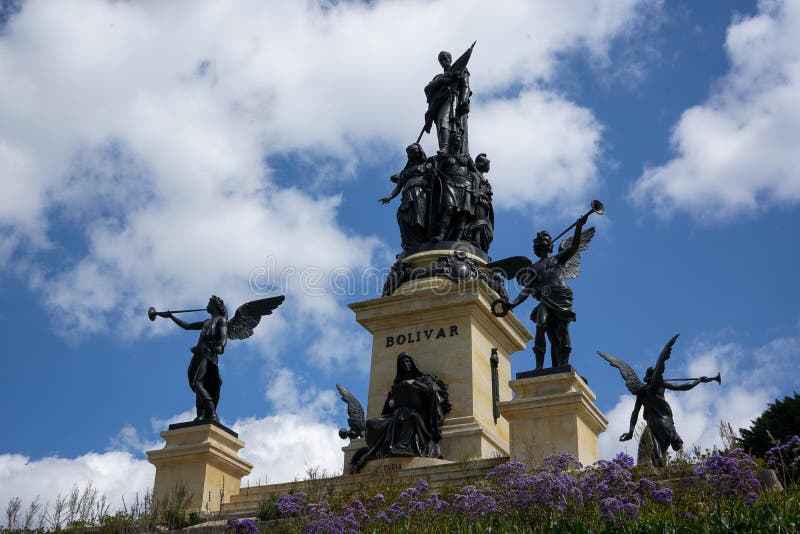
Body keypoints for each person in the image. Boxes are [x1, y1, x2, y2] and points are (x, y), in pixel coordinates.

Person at [500, 214, 591, 369]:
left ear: (550, 244)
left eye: (547, 238)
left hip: (562, 294)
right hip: (546, 297)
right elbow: (528, 289)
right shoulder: (533, 267)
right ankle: (539, 367)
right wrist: (512, 304)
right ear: (537, 244)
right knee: (541, 326)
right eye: (543, 238)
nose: (546, 240)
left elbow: (574, 247)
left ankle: (564, 363)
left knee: (563, 329)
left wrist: (579, 227)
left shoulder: (559, 258)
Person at [351, 353, 450, 472]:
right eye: (403, 364)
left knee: (405, 412)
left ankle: (403, 446)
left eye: (408, 362)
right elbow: (386, 410)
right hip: (397, 415)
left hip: (420, 415)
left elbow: (432, 392)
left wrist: (415, 383)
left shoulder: (423, 379)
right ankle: (379, 450)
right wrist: (391, 401)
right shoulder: (398, 384)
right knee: (372, 423)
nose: (406, 365)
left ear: (412, 363)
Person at [622, 368, 715, 466]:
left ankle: (652, 471)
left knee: (652, 451)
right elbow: (684, 387)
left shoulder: (641, 392)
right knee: (663, 450)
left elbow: (635, 413)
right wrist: (699, 380)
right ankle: (660, 470)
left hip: (652, 425)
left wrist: (631, 432)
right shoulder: (660, 385)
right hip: (665, 424)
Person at [165, 295, 228, 423]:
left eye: (209, 303)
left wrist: (220, 347)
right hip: (199, 356)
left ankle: (210, 409)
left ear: (215, 306)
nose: (207, 305)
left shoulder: (221, 320)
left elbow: (223, 339)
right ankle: (201, 414)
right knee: (197, 385)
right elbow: (187, 326)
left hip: (208, 355)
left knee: (197, 383)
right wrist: (171, 317)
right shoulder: (206, 322)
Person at [379, 143, 432, 251]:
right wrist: (390, 197)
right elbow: (398, 187)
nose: (412, 153)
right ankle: (411, 242)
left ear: (419, 152)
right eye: (409, 152)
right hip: (407, 195)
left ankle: (421, 238)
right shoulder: (405, 172)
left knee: (418, 216)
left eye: (413, 151)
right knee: (402, 217)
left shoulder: (426, 165)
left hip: (420, 192)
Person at [423, 50, 471, 154]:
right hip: (442, 101)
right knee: (442, 121)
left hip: (455, 99)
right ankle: (444, 147)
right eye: (442, 60)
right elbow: (427, 89)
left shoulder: (461, 69)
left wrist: (463, 100)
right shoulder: (438, 77)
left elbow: (465, 86)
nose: (444, 61)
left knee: (452, 123)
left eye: (446, 58)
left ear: (450, 59)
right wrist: (442, 80)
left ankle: (454, 148)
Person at [431, 133, 474, 242]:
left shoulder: (466, 158)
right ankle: (441, 235)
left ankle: (458, 238)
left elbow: (475, 172)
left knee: (463, 214)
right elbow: (437, 170)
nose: (457, 143)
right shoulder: (445, 157)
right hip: (450, 184)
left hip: (466, 186)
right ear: (451, 143)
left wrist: (473, 180)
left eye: (459, 142)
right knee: (448, 208)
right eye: (455, 141)